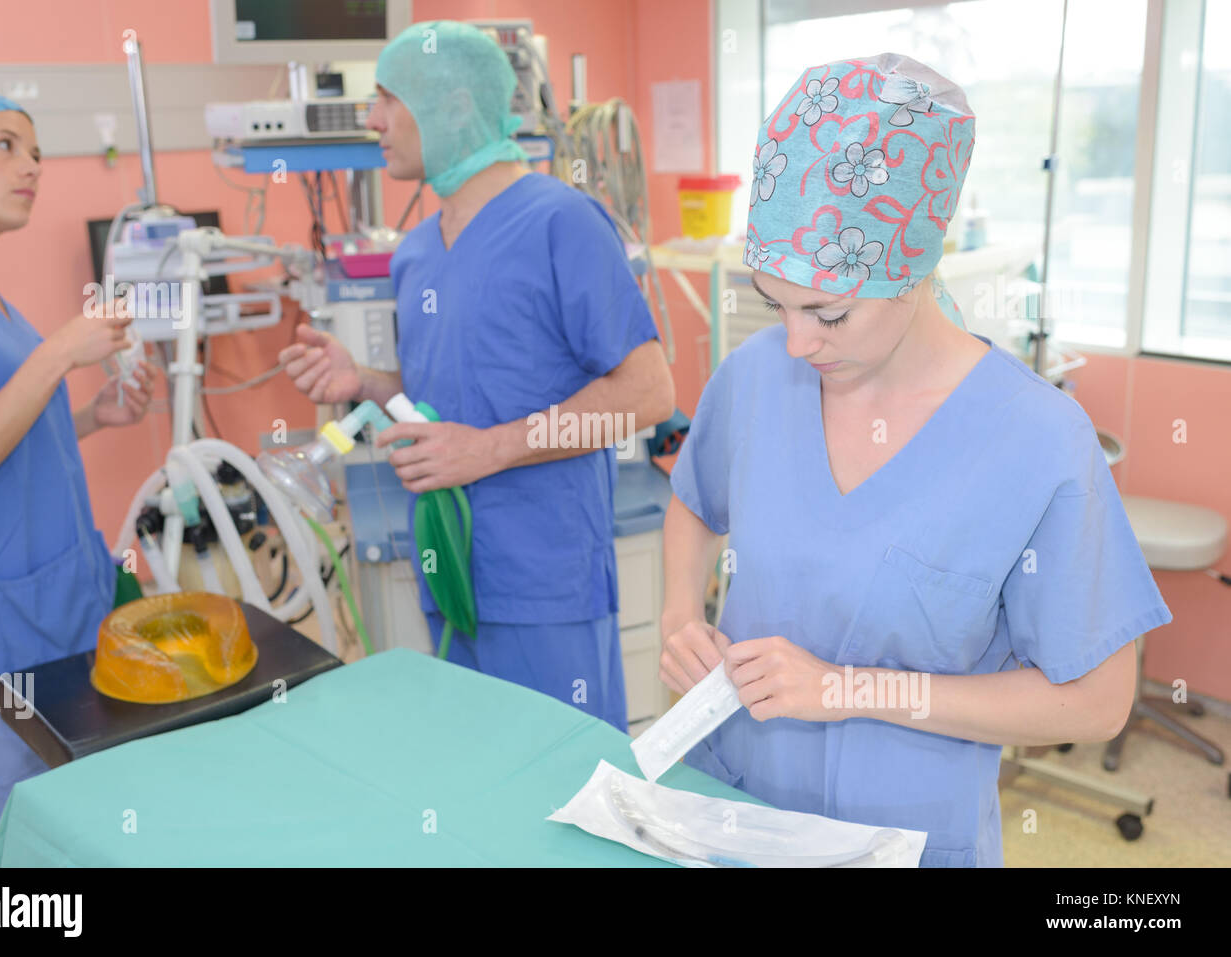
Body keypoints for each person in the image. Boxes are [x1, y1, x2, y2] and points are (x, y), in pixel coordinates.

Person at [660, 54, 1170, 867]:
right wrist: (681, 614)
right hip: (729, 810)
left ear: (912, 269)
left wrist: (848, 689)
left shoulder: (1035, 442)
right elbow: (692, 501)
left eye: (828, 312)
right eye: (776, 303)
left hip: (904, 840)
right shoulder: (759, 377)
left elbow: (1099, 701)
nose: (796, 341)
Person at [280, 22, 674, 732]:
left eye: (388, 99)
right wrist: (363, 380)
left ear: (452, 107)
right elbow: (452, 386)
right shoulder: (417, 253)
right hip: (451, 567)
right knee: (481, 787)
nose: (371, 119)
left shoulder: (564, 222)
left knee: (564, 790)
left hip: (544, 577)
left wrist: (486, 450)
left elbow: (648, 393)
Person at [0, 77, 156, 866]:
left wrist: (97, 416)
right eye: (4, 146)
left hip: (58, 615)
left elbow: (7, 439)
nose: (31, 164)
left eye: (36, 151)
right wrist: (59, 351)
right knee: (9, 854)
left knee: (68, 842)